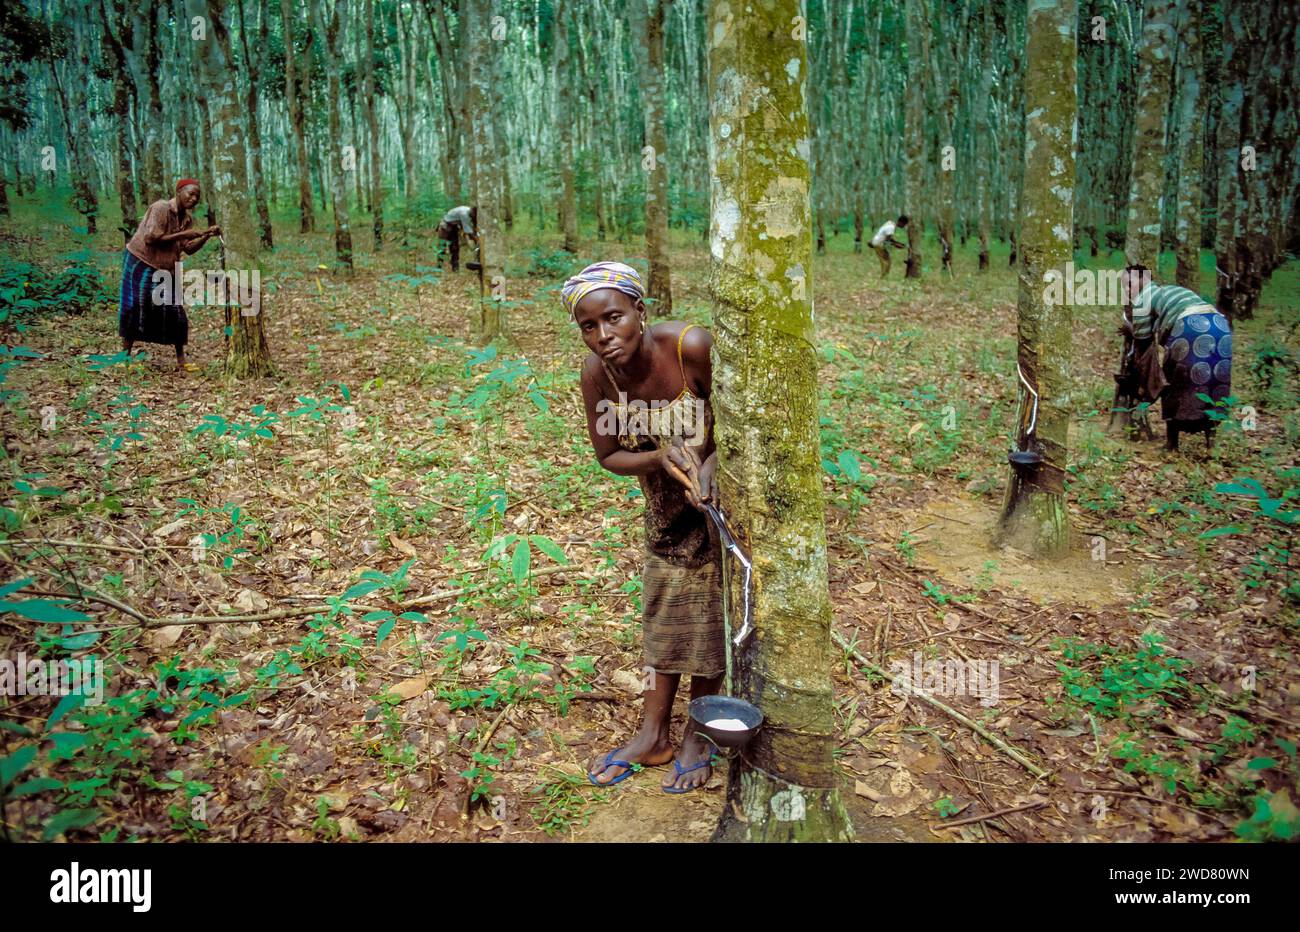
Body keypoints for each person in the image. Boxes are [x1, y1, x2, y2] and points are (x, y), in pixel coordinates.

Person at [565, 261, 725, 794]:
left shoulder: (690, 348)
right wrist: (659, 459)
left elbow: (747, 421)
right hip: (664, 513)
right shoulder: (597, 376)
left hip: (719, 508)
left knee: (709, 621)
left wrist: (712, 463)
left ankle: (698, 736)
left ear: (641, 310)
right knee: (663, 615)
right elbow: (608, 455)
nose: (603, 336)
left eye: (613, 318)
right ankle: (653, 733)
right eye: (589, 327)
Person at [1121, 265, 1233, 452]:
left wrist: (1129, 330)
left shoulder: (1142, 300)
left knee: (1174, 382)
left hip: (1189, 329)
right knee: (1213, 382)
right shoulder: (1174, 290)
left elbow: (1143, 341)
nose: (1127, 290)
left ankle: (1172, 444)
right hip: (1220, 326)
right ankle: (1210, 444)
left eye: (1129, 284)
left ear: (1143, 280)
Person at [120, 179, 220, 373]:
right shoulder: (161, 208)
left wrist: (206, 235)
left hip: (167, 268)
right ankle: (124, 357)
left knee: (175, 312)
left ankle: (181, 360)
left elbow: (188, 249)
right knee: (136, 308)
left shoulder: (187, 220)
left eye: (197, 196)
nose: (193, 198)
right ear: (179, 191)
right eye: (190, 194)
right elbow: (151, 238)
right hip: (142, 262)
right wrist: (183, 235)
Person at [435, 205, 478, 272]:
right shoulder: (464, 214)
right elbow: (468, 232)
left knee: (455, 248)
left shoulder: (469, 212)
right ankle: (438, 267)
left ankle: (455, 268)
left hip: (454, 226)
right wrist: (477, 241)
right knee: (442, 247)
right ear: (472, 212)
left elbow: (473, 227)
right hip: (445, 225)